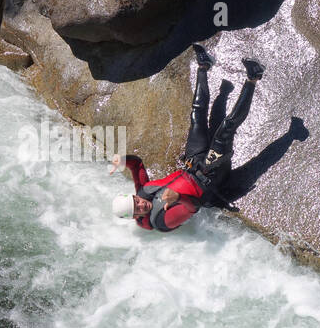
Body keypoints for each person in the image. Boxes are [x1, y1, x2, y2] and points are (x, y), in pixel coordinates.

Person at [110, 44, 264, 232]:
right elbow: (193, 207)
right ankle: (253, 77)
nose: (141, 204)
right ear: (135, 217)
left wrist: (121, 160)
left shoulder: (143, 192)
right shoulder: (161, 221)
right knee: (226, 128)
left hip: (193, 163)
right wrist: (177, 198)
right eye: (137, 209)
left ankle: (204, 66)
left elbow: (137, 165)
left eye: (136, 201)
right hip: (210, 176)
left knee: (197, 115)